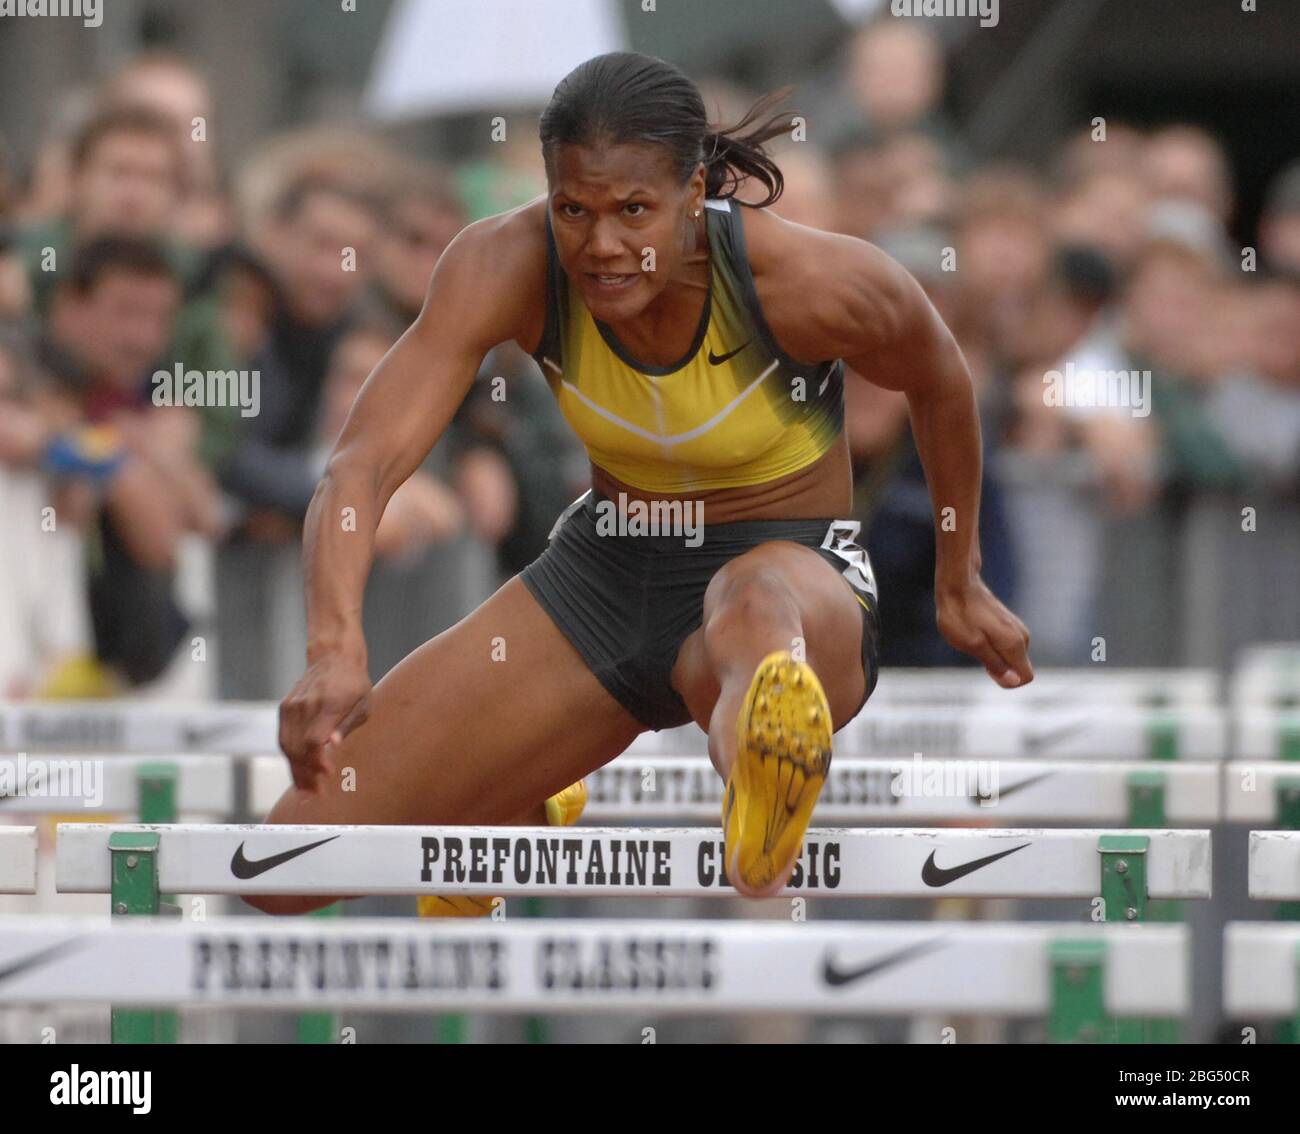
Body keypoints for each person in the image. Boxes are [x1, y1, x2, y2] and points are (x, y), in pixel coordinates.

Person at [253, 52, 1032, 917]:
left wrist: (960, 579)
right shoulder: (503, 264)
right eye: (572, 210)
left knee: (748, 612)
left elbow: (943, 382)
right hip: (605, 574)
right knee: (290, 866)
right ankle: (529, 787)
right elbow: (361, 463)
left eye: (634, 211)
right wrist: (334, 648)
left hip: (789, 574)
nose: (602, 246)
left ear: (697, 191)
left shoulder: (808, 282)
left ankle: (762, 778)